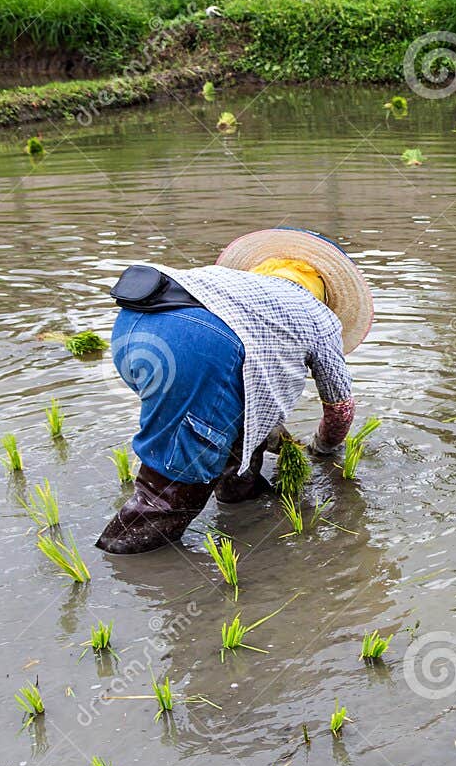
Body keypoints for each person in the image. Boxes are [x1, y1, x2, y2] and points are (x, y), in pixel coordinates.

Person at [96, 228, 374, 554]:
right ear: (324, 295)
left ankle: (242, 496)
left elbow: (256, 381)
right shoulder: (318, 316)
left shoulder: (232, 286)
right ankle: (118, 561)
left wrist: (277, 437)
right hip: (196, 346)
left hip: (132, 324)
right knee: (170, 488)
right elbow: (340, 407)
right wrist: (322, 449)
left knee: (225, 416)